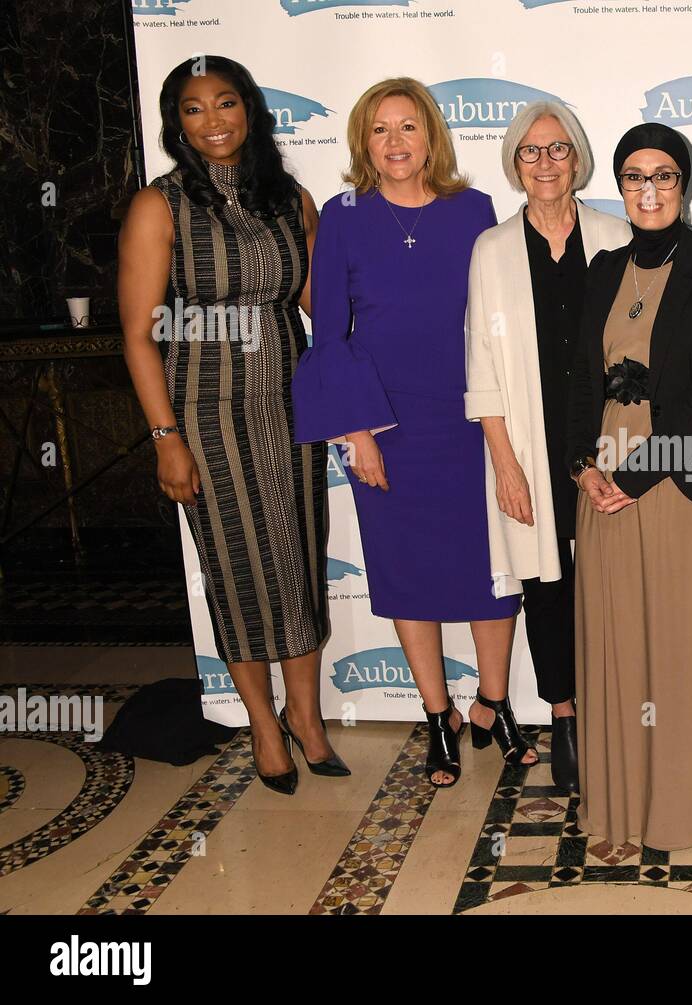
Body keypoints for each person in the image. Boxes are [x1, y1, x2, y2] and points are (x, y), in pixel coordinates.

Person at [119, 56, 345, 795]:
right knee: (242, 573)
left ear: (250, 111)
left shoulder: (291, 198)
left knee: (303, 560)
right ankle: (264, 725)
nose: (213, 120)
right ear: (175, 121)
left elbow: (322, 305)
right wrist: (165, 437)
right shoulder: (161, 205)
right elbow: (138, 333)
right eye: (194, 108)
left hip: (292, 402)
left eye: (226, 103)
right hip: (206, 414)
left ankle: (307, 719)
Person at [291, 78, 525, 788]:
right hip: (387, 423)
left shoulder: (474, 210)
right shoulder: (343, 214)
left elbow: (499, 320)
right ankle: (436, 716)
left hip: (471, 415)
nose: (395, 142)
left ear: (432, 137)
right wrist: (356, 431)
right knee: (405, 569)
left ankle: (494, 701)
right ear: (364, 141)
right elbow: (327, 331)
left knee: (493, 568)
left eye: (408, 127)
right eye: (380, 130)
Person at [566, 123, 692, 858]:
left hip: (685, 484)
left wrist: (633, 472)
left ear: (684, 184)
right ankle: (625, 812)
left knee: (687, 655)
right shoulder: (601, 269)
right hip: (606, 488)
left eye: (663, 176)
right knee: (623, 654)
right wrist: (583, 466)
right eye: (633, 177)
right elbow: (578, 386)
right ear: (618, 186)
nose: (648, 190)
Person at [464, 102, 630, 794]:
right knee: (547, 587)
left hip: (608, 445)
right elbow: (481, 365)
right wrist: (505, 465)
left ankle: (617, 718)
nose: (545, 163)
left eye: (558, 149)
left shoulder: (615, 236)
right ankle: (564, 716)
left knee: (612, 584)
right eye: (530, 152)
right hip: (528, 450)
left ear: (578, 158)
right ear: (514, 163)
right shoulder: (493, 250)